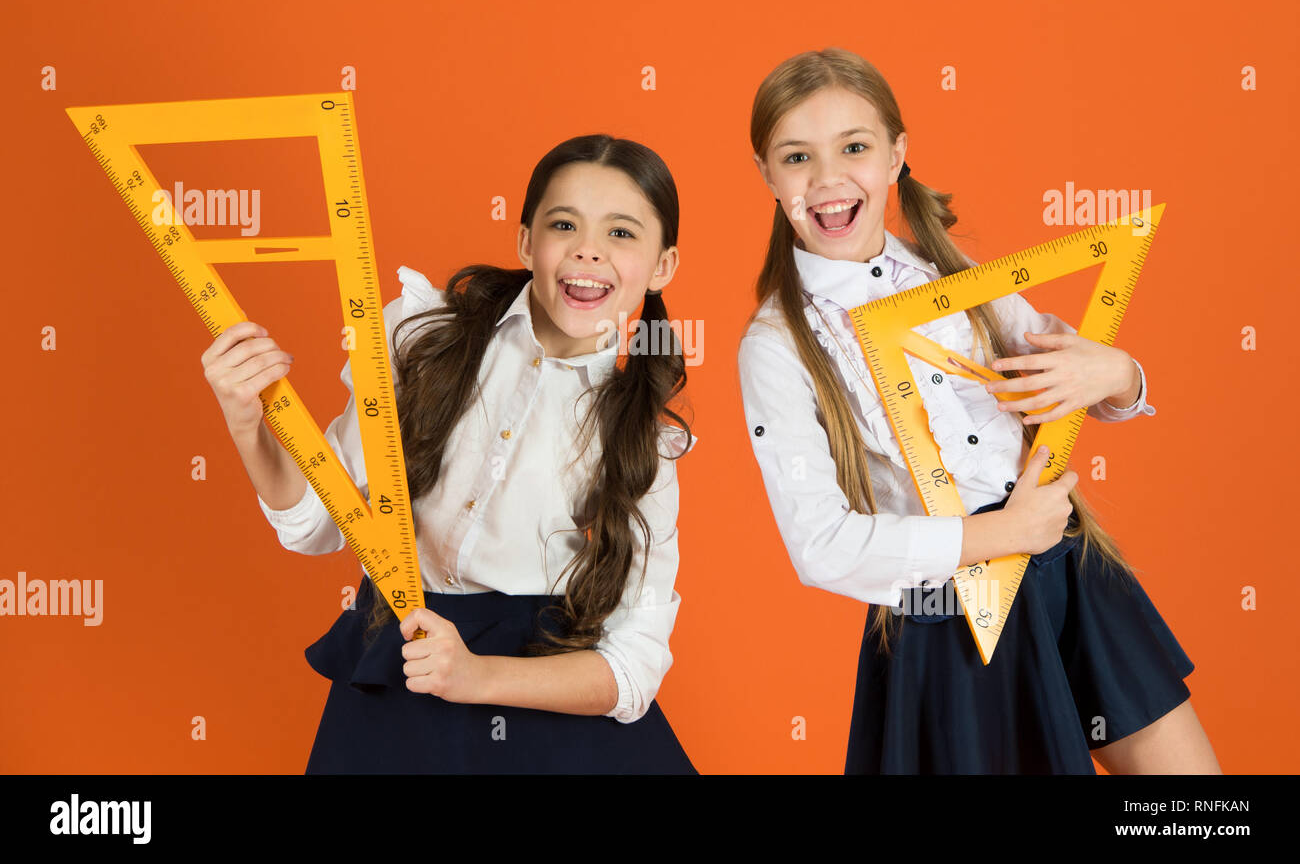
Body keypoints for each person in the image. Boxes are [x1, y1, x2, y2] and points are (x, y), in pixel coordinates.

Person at [736, 47, 1220, 774]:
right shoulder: (776, 345)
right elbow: (822, 548)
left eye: (856, 148)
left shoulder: (957, 277)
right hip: (952, 619)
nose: (829, 179)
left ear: (897, 153)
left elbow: (1074, 380)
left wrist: (1117, 374)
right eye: (797, 156)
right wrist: (1002, 531)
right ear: (766, 174)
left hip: (1070, 569)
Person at [202, 134, 697, 773]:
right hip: (397, 688)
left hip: (545, 721)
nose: (588, 249)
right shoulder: (425, 341)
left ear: (663, 266)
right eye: (564, 223)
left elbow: (634, 666)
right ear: (525, 243)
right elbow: (319, 525)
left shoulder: (645, 443)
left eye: (623, 233)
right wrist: (248, 425)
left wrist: (474, 677)